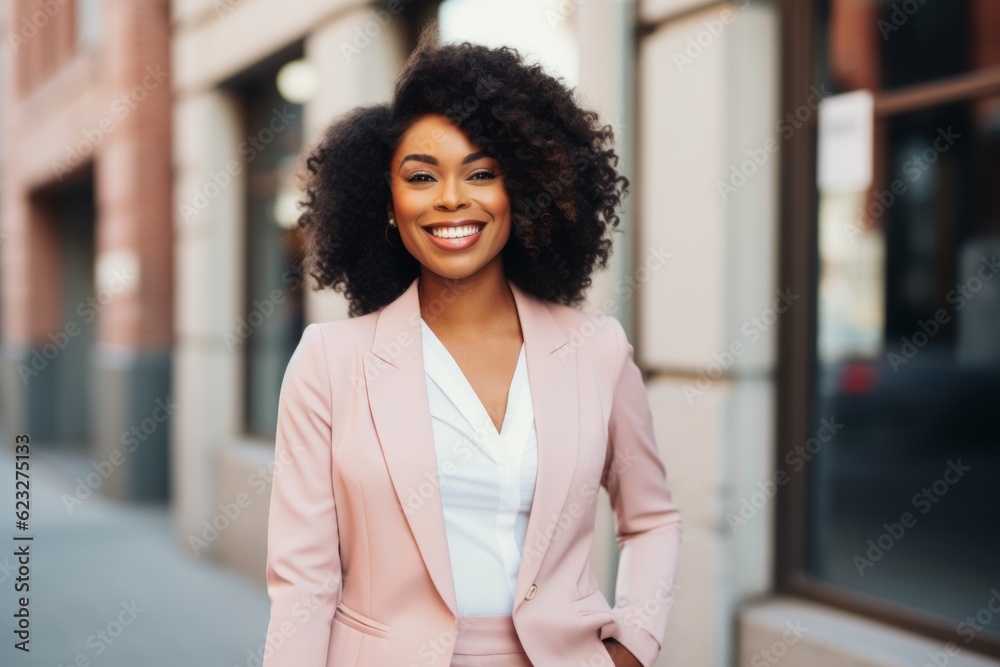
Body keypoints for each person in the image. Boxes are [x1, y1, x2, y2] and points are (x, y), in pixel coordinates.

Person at [262, 21, 681, 667]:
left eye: (480, 173)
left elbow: (651, 518)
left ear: (522, 191)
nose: (451, 200)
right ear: (386, 201)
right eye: (422, 177)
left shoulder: (596, 349)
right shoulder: (329, 362)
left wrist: (633, 645)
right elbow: (303, 580)